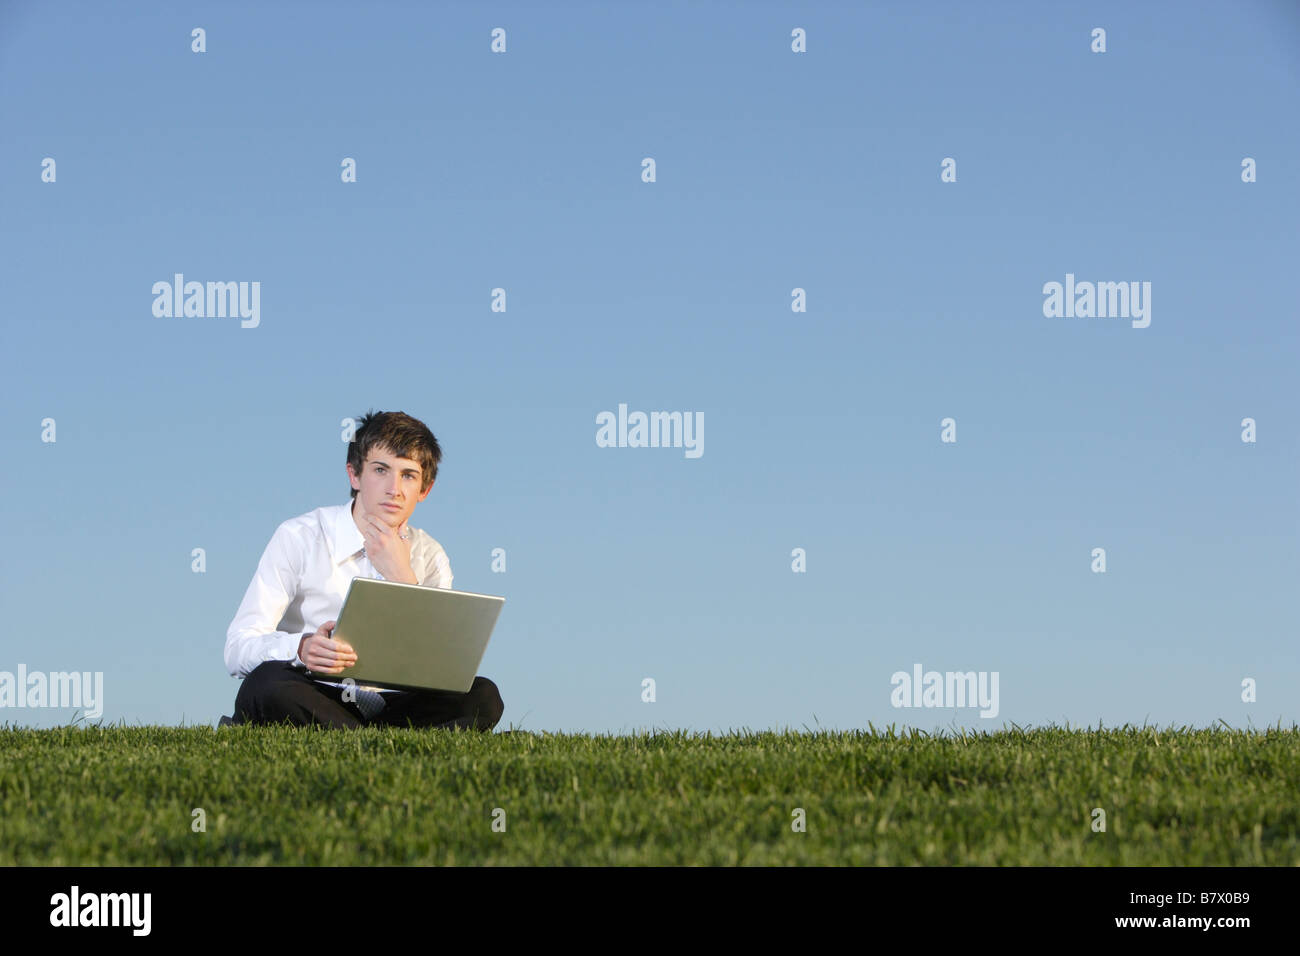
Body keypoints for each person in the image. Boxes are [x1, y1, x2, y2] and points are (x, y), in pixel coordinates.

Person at [223, 409, 504, 730]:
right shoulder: (298, 536)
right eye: (381, 470)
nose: (394, 489)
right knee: (266, 685)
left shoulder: (430, 554)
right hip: (316, 691)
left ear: (425, 489)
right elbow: (237, 648)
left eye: (408, 475)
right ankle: (387, 743)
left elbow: (442, 667)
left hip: (395, 702)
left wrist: (403, 577)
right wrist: (300, 648)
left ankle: (359, 737)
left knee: (483, 695)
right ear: (354, 475)